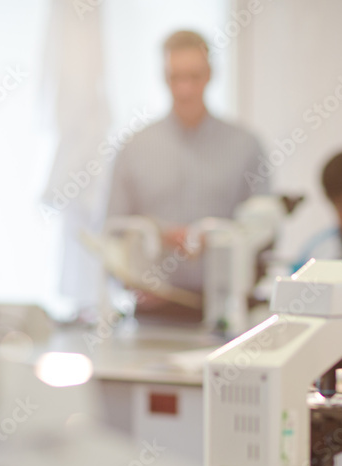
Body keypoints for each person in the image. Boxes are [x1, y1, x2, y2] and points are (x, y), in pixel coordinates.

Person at [105, 30, 267, 321]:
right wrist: (157, 236)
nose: (185, 90)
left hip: (225, 312)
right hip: (150, 311)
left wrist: (216, 238)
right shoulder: (133, 147)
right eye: (175, 78)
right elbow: (112, 232)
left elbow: (264, 230)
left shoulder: (246, 146)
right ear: (163, 77)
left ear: (210, 75)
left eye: (194, 77)